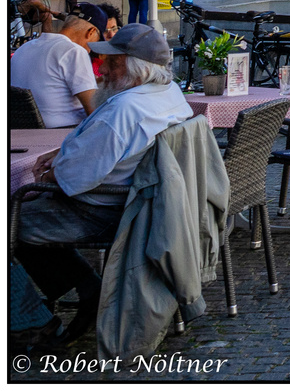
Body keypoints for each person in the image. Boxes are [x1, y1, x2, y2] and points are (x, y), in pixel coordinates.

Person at [15, 23, 191, 343]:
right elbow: (105, 143)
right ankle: (89, 289)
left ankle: (32, 323)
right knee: (20, 217)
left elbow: (74, 178)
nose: (101, 69)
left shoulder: (124, 109)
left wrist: (54, 171)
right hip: (140, 204)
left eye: (110, 61)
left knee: (10, 220)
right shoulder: (167, 93)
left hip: (103, 211)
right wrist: (64, 150)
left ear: (131, 66)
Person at [10, 10, 101, 128]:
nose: (90, 51)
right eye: (96, 41)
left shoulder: (23, 48)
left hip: (20, 130)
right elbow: (92, 109)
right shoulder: (74, 51)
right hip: (63, 132)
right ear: (91, 32)